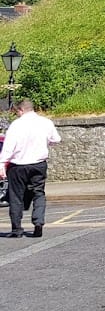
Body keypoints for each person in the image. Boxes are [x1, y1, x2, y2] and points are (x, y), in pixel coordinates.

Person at [0, 99, 62, 238]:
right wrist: (45, 143)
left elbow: (8, 147)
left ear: (20, 110)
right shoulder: (45, 122)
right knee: (39, 193)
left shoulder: (16, 125)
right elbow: (56, 140)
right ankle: (38, 222)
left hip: (18, 166)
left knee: (16, 196)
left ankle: (17, 230)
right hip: (38, 164)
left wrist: (2, 164)